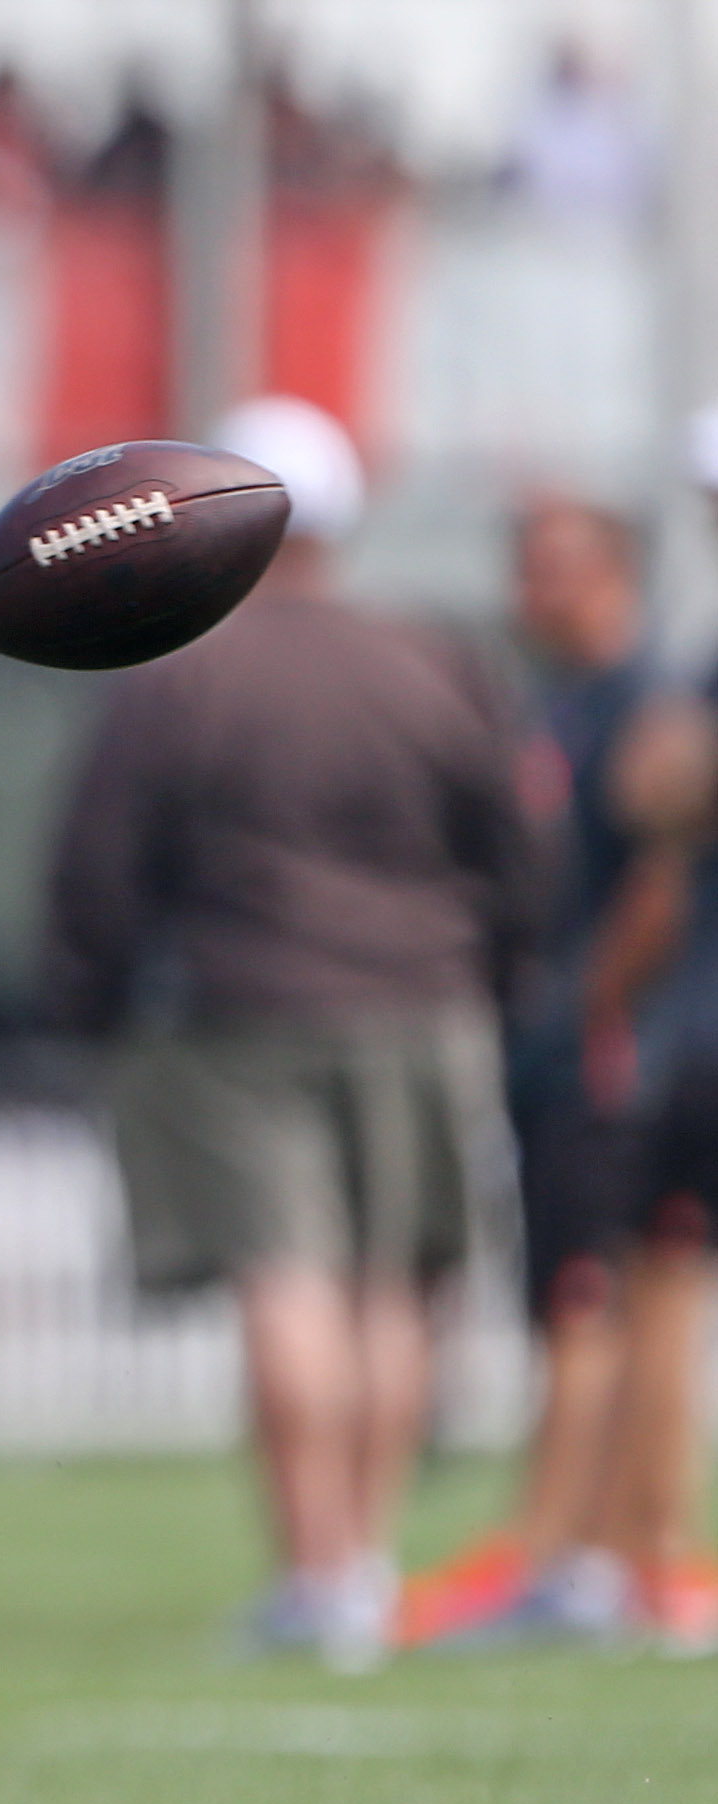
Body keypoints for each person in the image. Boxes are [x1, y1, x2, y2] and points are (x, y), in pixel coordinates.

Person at [45, 394, 540, 1673]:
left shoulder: (183, 673)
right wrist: (501, 975)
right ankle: (365, 1566)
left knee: (287, 1283)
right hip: (424, 1000)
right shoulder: (435, 658)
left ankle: (312, 1570)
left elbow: (99, 866)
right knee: (393, 1286)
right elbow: (517, 845)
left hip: (239, 1008)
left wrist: (91, 999)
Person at [399, 497, 691, 1648]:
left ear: (615, 574)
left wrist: (596, 1010)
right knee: (608, 1292)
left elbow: (659, 880)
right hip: (574, 1038)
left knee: (588, 1295)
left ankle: (565, 1546)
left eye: (558, 570)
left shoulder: (642, 703)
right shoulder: (558, 705)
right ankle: (613, 1544)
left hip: (620, 1046)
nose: (532, 592)